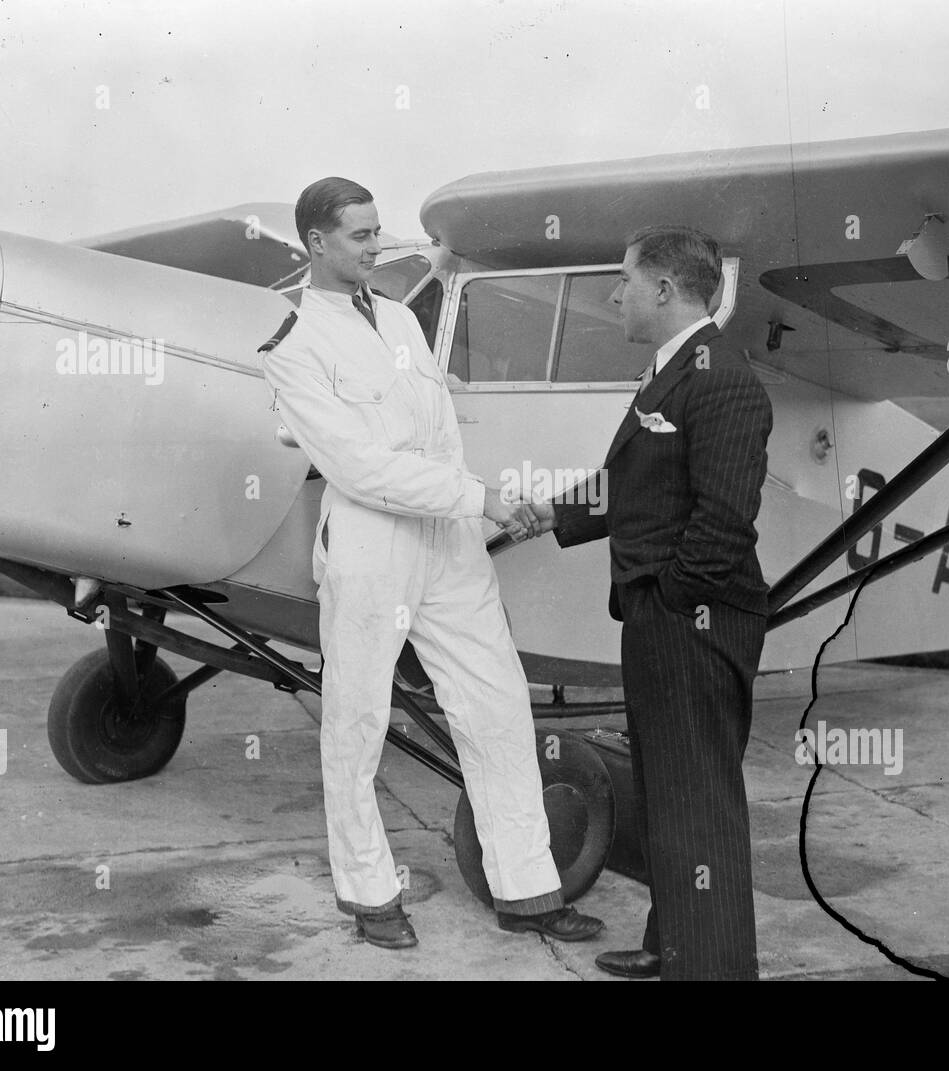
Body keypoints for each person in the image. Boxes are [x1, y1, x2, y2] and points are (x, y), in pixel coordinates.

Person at [261, 176, 602, 950]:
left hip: (447, 539)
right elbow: (360, 468)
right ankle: (370, 892)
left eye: (378, 230)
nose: (376, 246)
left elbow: (437, 432)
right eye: (359, 235)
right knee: (357, 720)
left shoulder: (401, 323)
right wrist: (478, 497)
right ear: (316, 243)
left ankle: (528, 889)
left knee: (498, 704)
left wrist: (461, 504)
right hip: (373, 541)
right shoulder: (294, 349)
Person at [532, 224, 772, 980]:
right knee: (672, 792)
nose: (616, 295)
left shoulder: (721, 377)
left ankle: (712, 969)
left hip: (690, 622)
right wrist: (549, 513)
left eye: (625, 281)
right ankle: (674, 944)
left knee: (698, 797)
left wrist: (670, 598)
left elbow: (725, 520)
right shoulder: (672, 370)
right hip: (660, 619)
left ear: (666, 289)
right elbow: (634, 485)